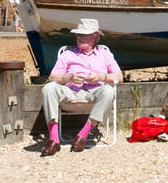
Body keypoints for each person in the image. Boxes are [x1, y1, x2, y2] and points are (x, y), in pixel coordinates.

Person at [40, 18, 121, 155]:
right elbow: (52, 78)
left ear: (95, 36)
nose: (79, 37)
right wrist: (69, 78)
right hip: (70, 92)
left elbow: (119, 77)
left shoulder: (104, 54)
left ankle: (82, 136)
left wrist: (101, 77)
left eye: (84, 34)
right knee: (49, 88)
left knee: (108, 90)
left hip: (95, 93)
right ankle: (54, 140)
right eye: (78, 34)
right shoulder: (68, 54)